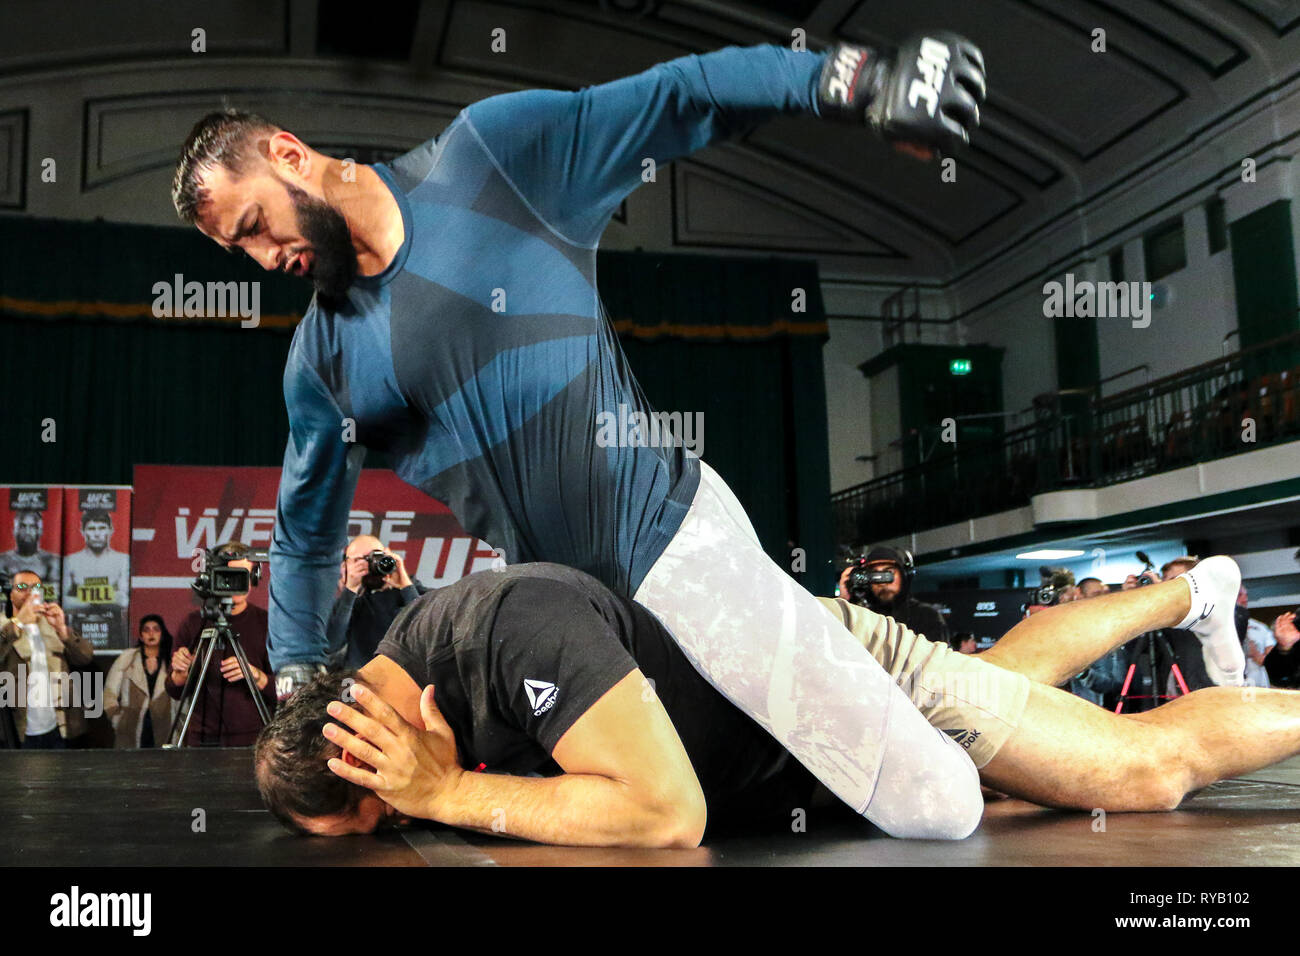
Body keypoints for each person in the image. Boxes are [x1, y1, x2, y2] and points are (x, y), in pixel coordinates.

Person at [174, 33, 994, 838]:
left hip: (673, 549)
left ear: (287, 153)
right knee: (703, 818)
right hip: (574, 620)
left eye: (252, 225)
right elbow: (307, 532)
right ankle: (867, 688)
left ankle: (913, 701)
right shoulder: (321, 360)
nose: (261, 257)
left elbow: (680, 97)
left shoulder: (488, 162)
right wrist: (300, 678)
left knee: (935, 806)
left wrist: (853, 80)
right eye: (237, 249)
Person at [256, 555, 1283, 846]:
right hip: (796, 738)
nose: (395, 815)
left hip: (838, 687)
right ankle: (1198, 588)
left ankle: (1207, 598)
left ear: (367, 734)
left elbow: (666, 815)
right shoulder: (397, 665)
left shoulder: (509, 628)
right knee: (1002, 682)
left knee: (1140, 772)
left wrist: (442, 796)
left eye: (379, 803)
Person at [165, 543, 277, 746]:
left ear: (253, 578)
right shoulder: (193, 623)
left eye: (241, 575)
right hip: (201, 738)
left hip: (253, 740)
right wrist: (180, 673)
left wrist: (257, 677)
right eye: (227, 574)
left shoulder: (267, 624)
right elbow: (173, 690)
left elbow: (285, 689)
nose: (233, 582)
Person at [0, 571, 94, 748]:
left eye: (35, 588)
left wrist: (62, 629)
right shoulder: (4, 627)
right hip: (18, 731)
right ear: (11, 594)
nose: (29, 593)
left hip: (58, 728)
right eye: (21, 587)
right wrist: (19, 622)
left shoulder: (51, 625)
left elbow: (85, 657)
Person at [327, 536, 426, 671]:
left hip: (406, 677)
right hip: (361, 682)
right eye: (357, 561)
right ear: (345, 566)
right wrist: (350, 590)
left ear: (387, 555)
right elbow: (332, 644)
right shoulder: (348, 600)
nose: (367, 565)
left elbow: (427, 631)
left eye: (374, 557)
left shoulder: (411, 590)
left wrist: (406, 586)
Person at [837, 545, 949, 644]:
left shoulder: (927, 617)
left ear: (904, 575)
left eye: (888, 573)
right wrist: (844, 602)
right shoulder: (862, 618)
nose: (882, 582)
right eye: (875, 575)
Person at [105, 614, 178, 748]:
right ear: (140, 636)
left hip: (164, 726)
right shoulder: (127, 658)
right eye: (146, 630)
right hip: (131, 728)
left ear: (162, 634)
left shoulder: (171, 660)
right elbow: (109, 692)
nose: (151, 633)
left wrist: (181, 723)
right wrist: (117, 719)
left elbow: (180, 695)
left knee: (163, 765)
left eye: (156, 629)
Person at [62, 508, 131, 648]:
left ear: (110, 530)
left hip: (113, 633)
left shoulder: (122, 560)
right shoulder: (71, 561)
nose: (97, 534)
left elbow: (123, 601)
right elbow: (64, 603)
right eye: (92, 528)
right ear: (82, 531)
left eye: (102, 528)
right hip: (77, 634)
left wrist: (82, 600)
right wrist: (106, 599)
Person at [0, 510, 60, 596]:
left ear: (40, 531)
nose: (27, 532)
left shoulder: (51, 562)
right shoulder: (2, 561)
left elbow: (53, 597)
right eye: (22, 527)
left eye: (32, 527)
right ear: (14, 531)